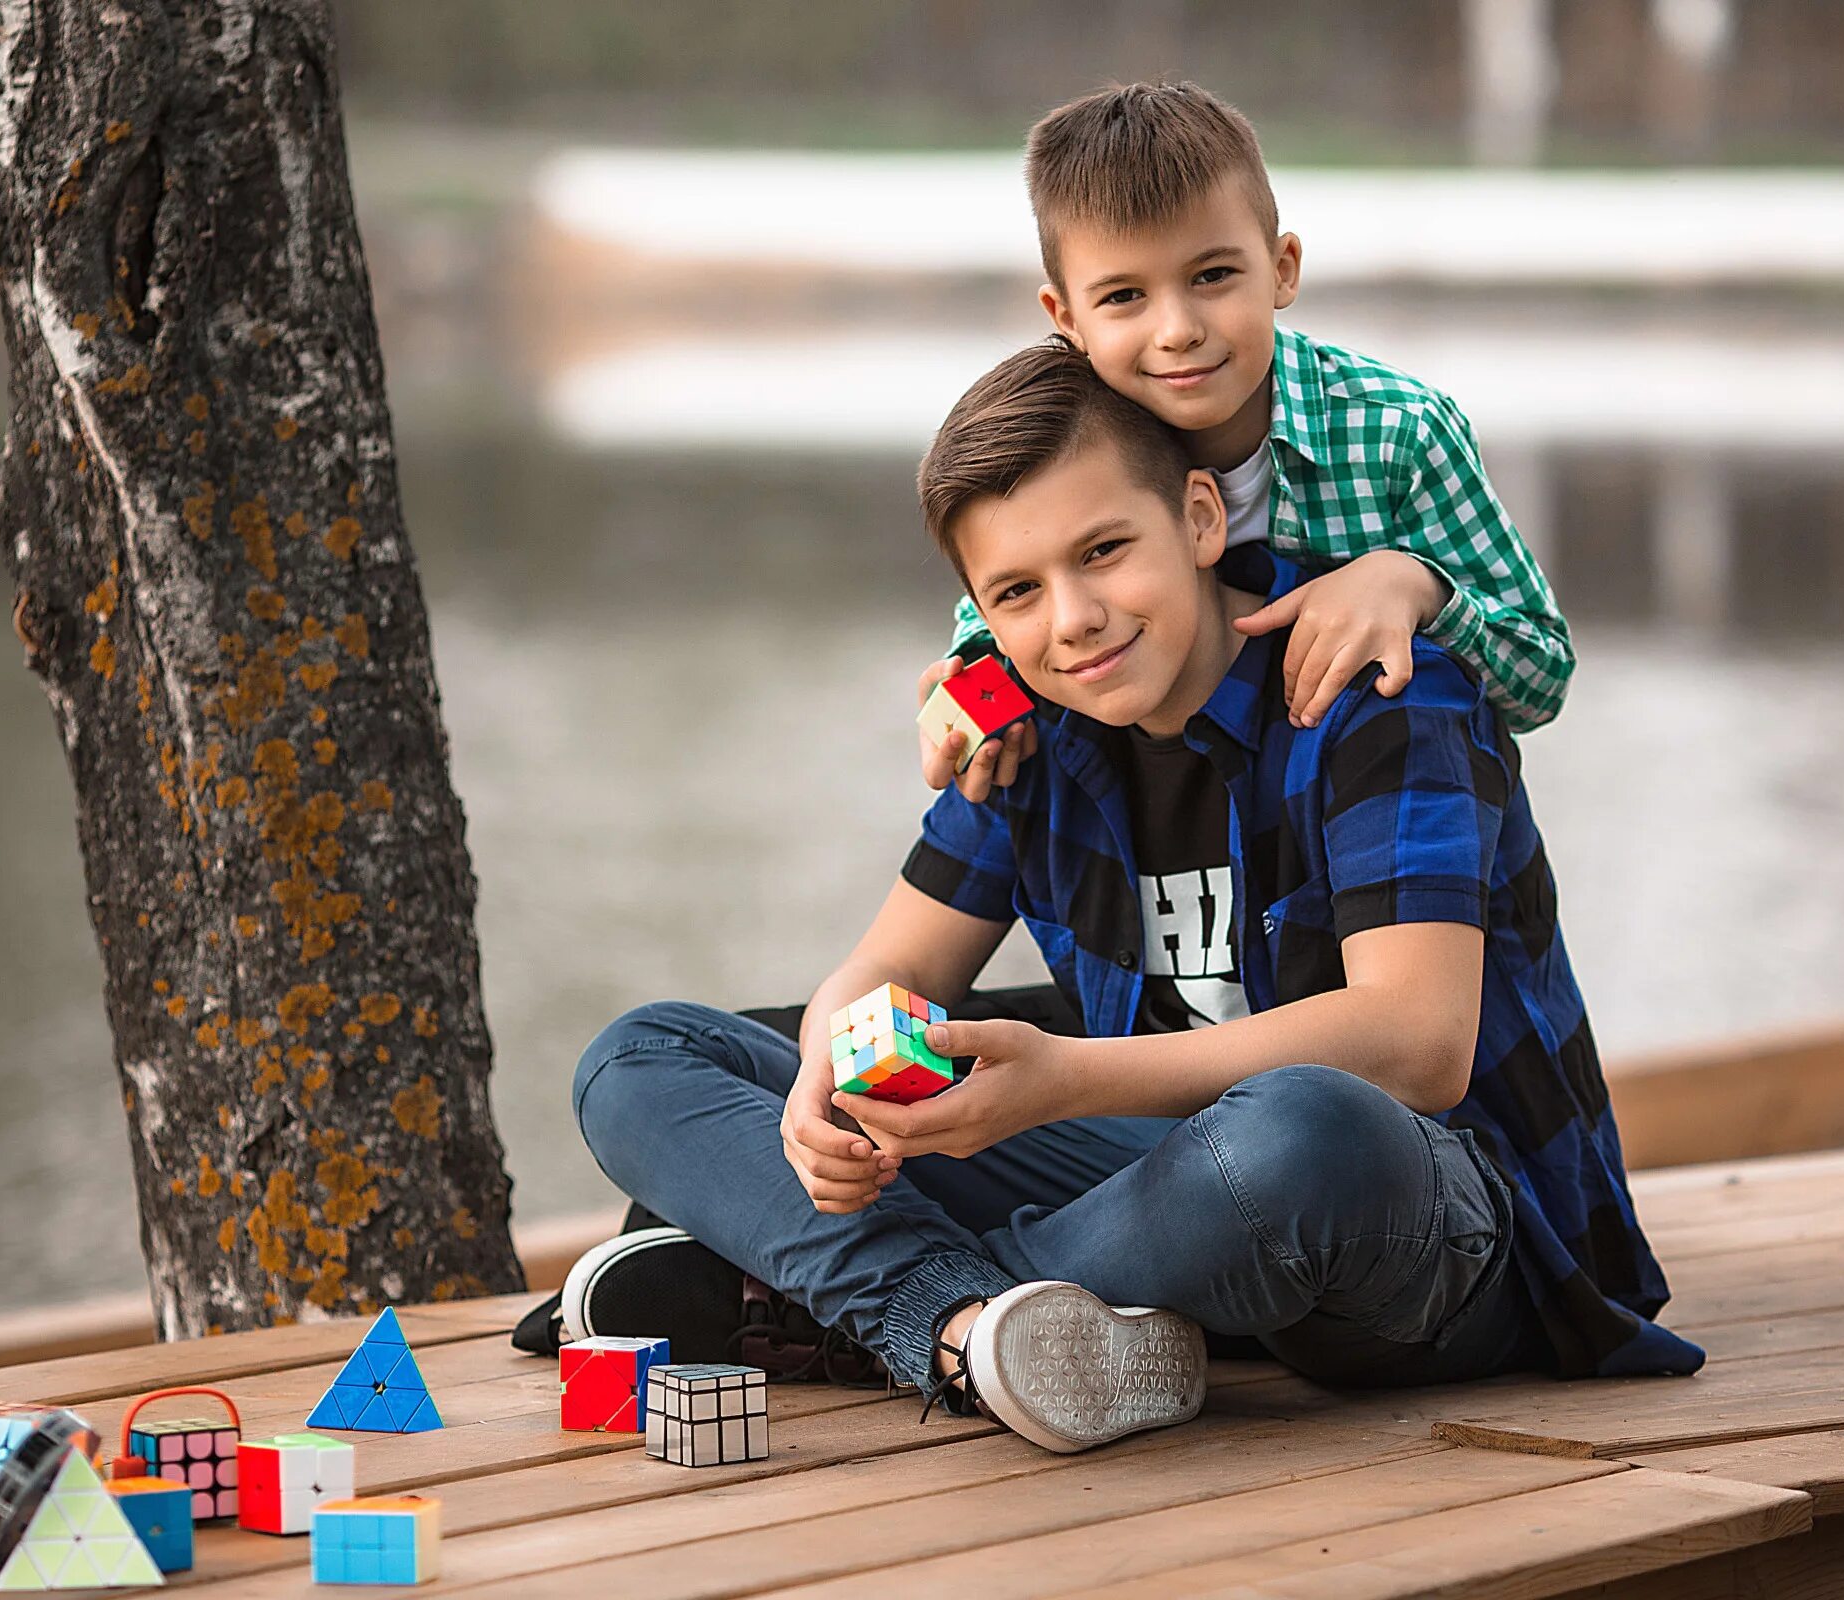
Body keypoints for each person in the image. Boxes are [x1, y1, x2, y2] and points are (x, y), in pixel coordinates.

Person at [567, 342, 1701, 1458]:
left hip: (1435, 1222)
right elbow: (882, 979)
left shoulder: (1376, 691)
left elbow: (1417, 1046)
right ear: (980, 616)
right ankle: (964, 1325)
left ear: (1200, 519)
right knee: (644, 1055)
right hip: (1144, 1178)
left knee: (1299, 1132)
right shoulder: (1029, 735)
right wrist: (824, 1079)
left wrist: (1057, 1084)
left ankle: (837, 1293)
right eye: (1017, 591)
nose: (1073, 619)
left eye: (1104, 551)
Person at [923, 79, 1570, 807]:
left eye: (1213, 275)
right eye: (1123, 297)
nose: (1177, 329)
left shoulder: (1397, 431)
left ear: (1282, 267)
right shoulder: (1075, 451)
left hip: (1391, 814)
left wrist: (1413, 585)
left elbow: (1539, 678)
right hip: (1198, 839)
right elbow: (1001, 610)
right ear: (1066, 316)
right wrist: (972, 692)